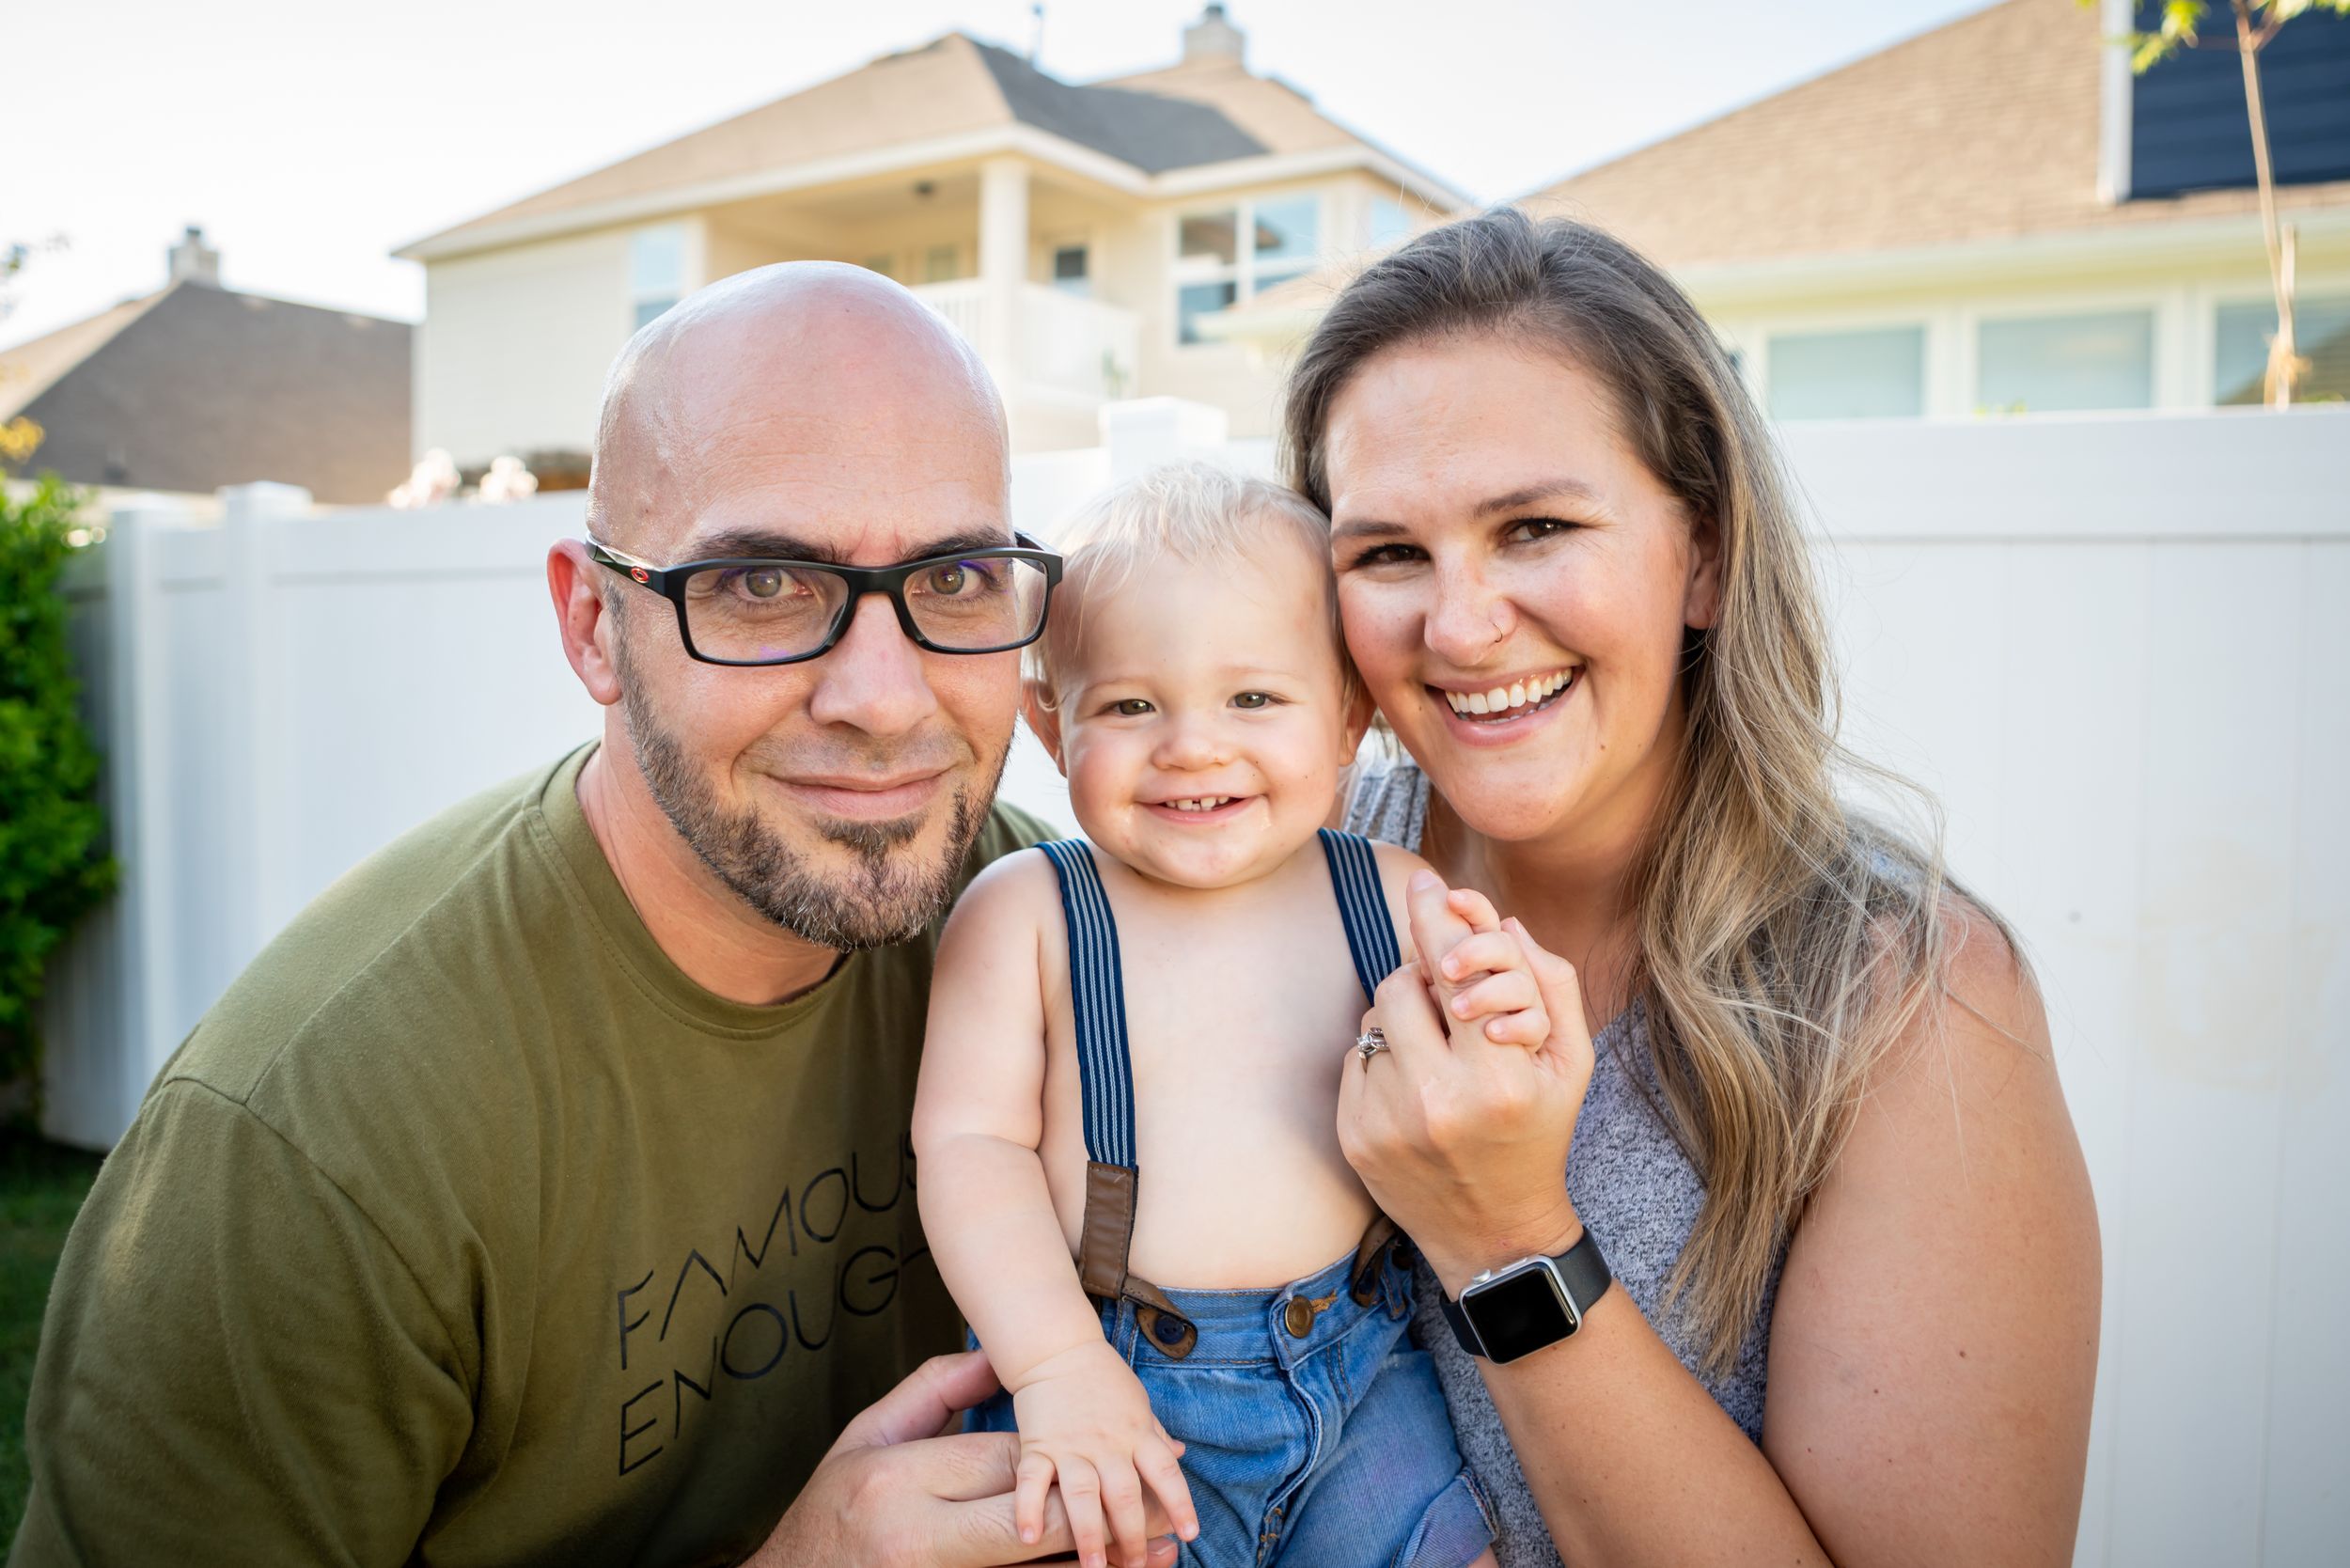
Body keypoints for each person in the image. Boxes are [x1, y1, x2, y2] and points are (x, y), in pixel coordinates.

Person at [11, 264, 1176, 1568]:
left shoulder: (1027, 928)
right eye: (764, 586)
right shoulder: (307, 1157)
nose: (886, 700)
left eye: (955, 575)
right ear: (591, 624)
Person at [1285, 209, 2103, 1566]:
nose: (1460, 624)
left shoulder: (1906, 1003)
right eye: (1387, 554)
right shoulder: (1284, 884)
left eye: (1535, 526)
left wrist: (1505, 1237)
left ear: (1707, 556)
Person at [913, 465, 1509, 1568]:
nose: (1191, 745)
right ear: (1052, 724)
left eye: (1252, 699)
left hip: (1365, 1368)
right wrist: (1052, 1367)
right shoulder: (1030, 913)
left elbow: (1484, 1084)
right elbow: (969, 1147)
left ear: (1348, 717)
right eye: (1131, 705)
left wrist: (1502, 1014)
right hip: (1114, 1386)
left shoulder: (1389, 891)